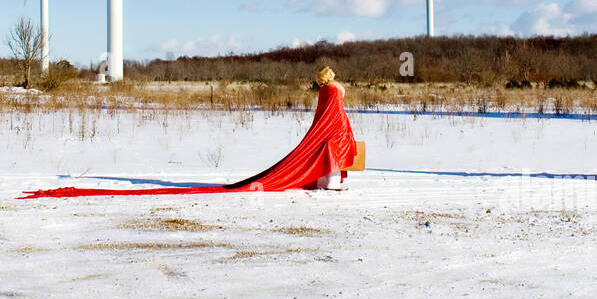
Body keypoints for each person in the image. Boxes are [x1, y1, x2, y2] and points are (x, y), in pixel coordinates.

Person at [19, 65, 358, 198]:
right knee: (319, 156)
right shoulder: (332, 91)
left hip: (335, 129)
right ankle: (322, 181)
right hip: (336, 129)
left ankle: (322, 180)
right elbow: (331, 113)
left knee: (322, 154)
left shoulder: (327, 91)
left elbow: (329, 114)